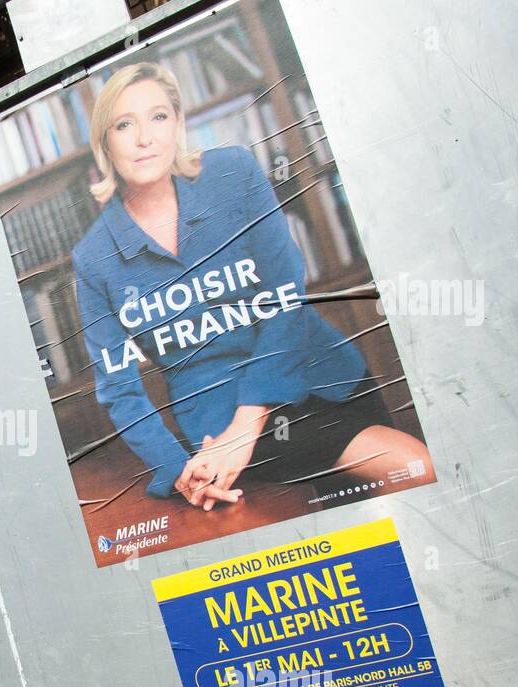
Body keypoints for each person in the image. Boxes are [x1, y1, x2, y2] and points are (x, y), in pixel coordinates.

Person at [72, 62, 433, 510]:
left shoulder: (234, 172)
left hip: (323, 373)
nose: (145, 137)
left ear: (179, 124)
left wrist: (247, 425)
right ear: (104, 142)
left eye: (159, 117)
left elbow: (287, 297)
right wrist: (180, 470)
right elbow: (119, 389)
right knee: (410, 468)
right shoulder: (92, 259)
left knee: (400, 504)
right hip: (220, 421)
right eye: (125, 125)